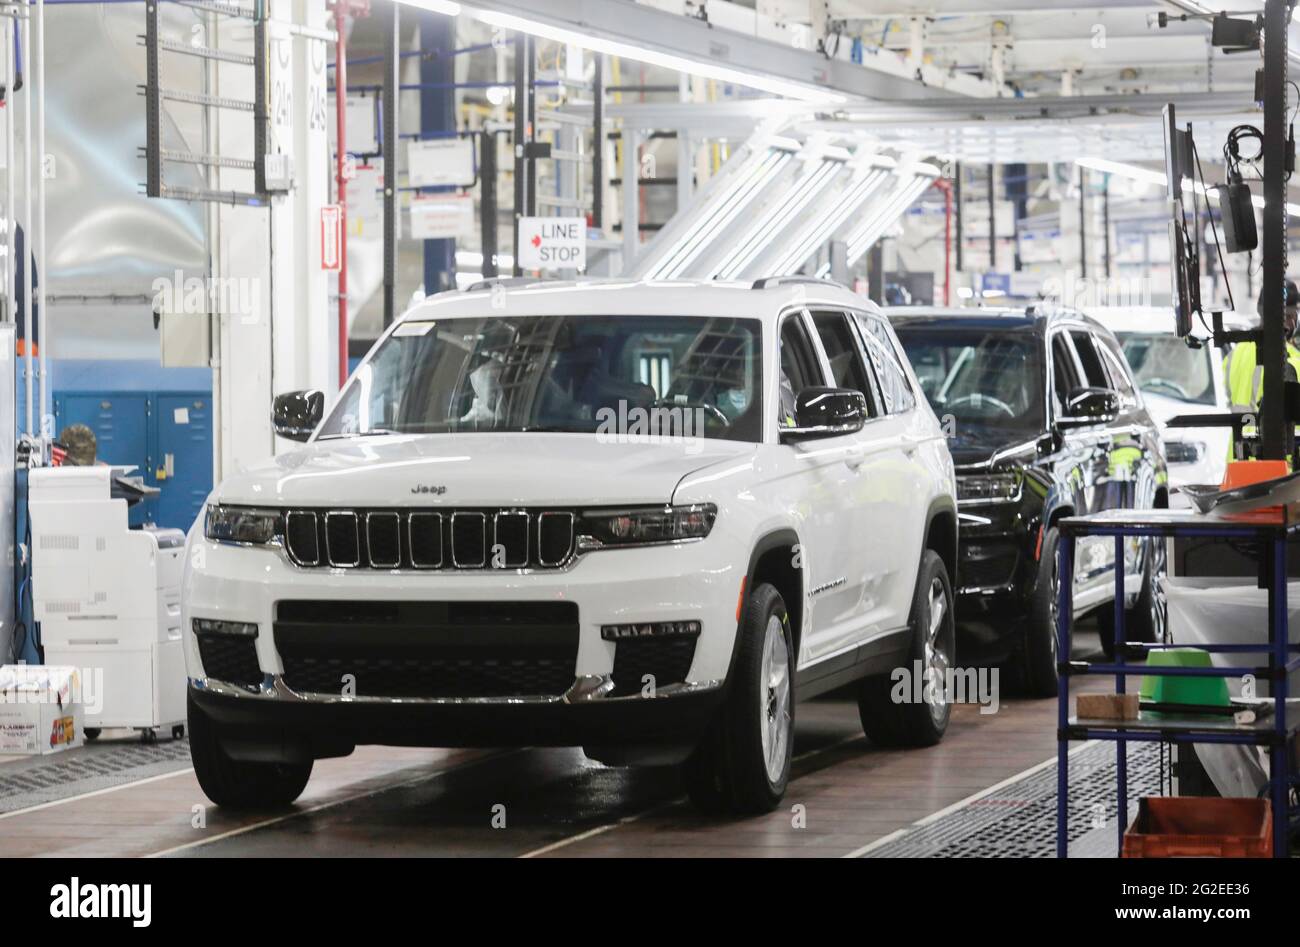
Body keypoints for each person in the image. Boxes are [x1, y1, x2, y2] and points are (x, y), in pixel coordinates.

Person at [1223, 280, 1300, 412]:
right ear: (1290, 318)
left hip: (1240, 431)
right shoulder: (1293, 360)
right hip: (1275, 433)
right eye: (1293, 315)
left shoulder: (1235, 353)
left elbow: (1227, 397)